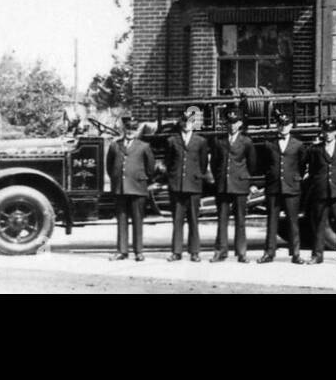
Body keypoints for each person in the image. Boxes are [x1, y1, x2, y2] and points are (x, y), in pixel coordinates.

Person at [210, 107, 256, 263]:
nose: (231, 126)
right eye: (229, 122)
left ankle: (241, 252)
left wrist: (248, 182)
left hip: (240, 185)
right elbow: (214, 163)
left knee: (240, 220)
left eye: (235, 122)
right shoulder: (219, 141)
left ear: (240, 123)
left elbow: (252, 164)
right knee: (222, 219)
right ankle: (220, 251)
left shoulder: (246, 142)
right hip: (223, 185)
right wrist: (219, 179)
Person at [306, 117, 336, 264]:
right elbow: (313, 170)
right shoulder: (315, 149)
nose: (328, 134)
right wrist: (318, 183)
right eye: (325, 131)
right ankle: (317, 255)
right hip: (321, 192)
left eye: (331, 131)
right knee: (319, 224)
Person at [260, 112, 307, 264]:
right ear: (276, 126)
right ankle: (269, 252)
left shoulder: (298, 145)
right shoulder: (269, 144)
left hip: (291, 187)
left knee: (293, 221)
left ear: (291, 126)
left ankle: (296, 253)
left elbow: (302, 165)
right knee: (271, 221)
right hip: (274, 187)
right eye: (280, 124)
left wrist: (294, 179)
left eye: (286, 125)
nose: (283, 127)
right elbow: (266, 165)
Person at [165, 105, 211, 262]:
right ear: (180, 122)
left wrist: (197, 177)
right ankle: (176, 251)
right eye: (184, 121)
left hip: (193, 185)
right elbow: (169, 162)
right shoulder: (172, 141)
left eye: (190, 121)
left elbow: (203, 163)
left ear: (194, 123)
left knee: (193, 219)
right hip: (177, 185)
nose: (186, 124)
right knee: (177, 220)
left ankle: (194, 251)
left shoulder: (200, 141)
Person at [106, 114, 155, 261]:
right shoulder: (115, 145)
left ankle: (138, 251)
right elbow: (110, 166)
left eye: (133, 129)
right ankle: (122, 251)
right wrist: (116, 179)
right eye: (128, 128)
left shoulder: (143, 146)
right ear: (124, 128)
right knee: (121, 219)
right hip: (120, 188)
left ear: (137, 130)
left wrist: (142, 179)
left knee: (138, 219)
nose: (130, 131)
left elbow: (150, 167)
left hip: (137, 187)